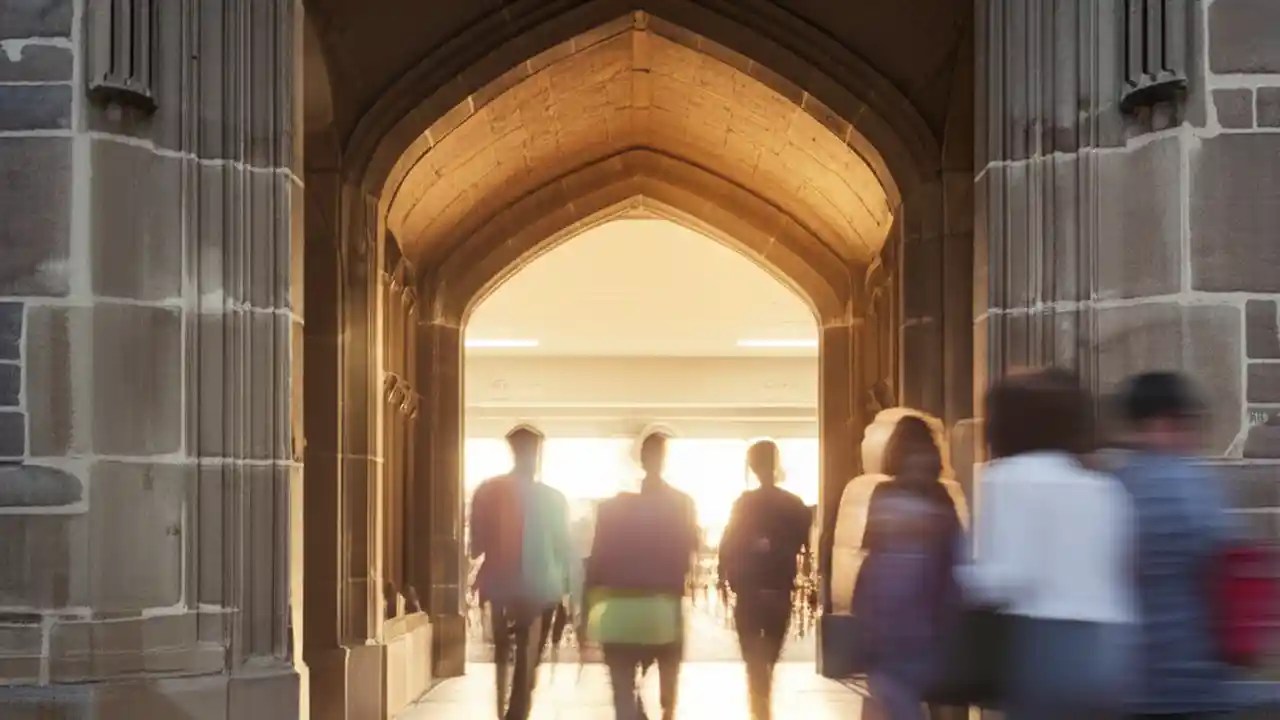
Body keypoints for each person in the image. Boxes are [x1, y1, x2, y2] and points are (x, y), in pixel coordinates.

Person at [961, 369, 1137, 720]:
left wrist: (960, 578)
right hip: (1113, 645)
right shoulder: (1105, 486)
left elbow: (1005, 577)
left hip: (1047, 643)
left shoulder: (1008, 478)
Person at [1113, 372, 1255, 719]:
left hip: (1128, 681)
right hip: (1196, 676)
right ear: (1167, 421)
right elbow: (1229, 566)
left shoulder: (1114, 486)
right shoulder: (1195, 485)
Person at [855, 417, 963, 720]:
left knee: (890, 699)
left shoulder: (883, 495)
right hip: (931, 625)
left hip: (888, 626)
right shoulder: (942, 497)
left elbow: (871, 557)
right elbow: (956, 560)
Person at [585, 431, 699, 720]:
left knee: (623, 691)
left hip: (620, 609)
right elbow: (686, 558)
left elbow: (597, 562)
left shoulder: (612, 509)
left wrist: (585, 607)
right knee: (667, 687)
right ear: (664, 459)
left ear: (641, 458)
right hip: (662, 608)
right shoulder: (681, 504)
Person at [469, 425, 574, 720]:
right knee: (530, 652)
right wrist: (569, 591)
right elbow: (564, 547)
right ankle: (518, 707)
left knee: (503, 648)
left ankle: (505, 696)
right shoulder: (554, 499)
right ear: (537, 453)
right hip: (541, 588)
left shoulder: (487, 491)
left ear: (512, 450)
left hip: (499, 583)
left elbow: (475, 547)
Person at [718, 439, 812, 720]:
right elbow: (803, 547)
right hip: (779, 588)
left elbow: (727, 545)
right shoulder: (795, 506)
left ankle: (760, 707)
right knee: (769, 654)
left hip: (748, 590)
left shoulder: (743, 504)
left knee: (753, 661)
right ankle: (763, 701)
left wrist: (725, 576)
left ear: (752, 466)